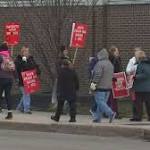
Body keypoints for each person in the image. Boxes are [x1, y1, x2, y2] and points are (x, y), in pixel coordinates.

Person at [90, 48, 116, 123]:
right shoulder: (110, 64)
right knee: (102, 103)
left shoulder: (99, 64)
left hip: (100, 87)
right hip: (108, 87)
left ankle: (111, 113)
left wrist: (92, 86)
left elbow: (97, 76)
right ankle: (98, 118)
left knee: (100, 102)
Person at [15, 46, 40, 114]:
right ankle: (27, 109)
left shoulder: (31, 59)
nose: (27, 52)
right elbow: (20, 68)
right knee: (26, 94)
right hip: (22, 79)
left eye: (27, 51)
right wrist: (24, 61)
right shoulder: (18, 60)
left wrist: (37, 71)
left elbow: (34, 66)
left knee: (25, 94)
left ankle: (20, 107)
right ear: (22, 52)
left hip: (29, 79)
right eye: (25, 51)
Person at [126, 47, 142, 121]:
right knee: (134, 99)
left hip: (141, 83)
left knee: (141, 100)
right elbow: (127, 70)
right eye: (136, 51)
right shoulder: (131, 61)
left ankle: (139, 115)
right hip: (133, 82)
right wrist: (133, 70)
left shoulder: (143, 60)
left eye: (138, 51)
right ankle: (135, 115)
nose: (137, 53)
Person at [133, 51, 150, 121]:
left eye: (136, 56)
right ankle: (139, 116)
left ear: (139, 57)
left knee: (141, 103)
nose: (135, 57)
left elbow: (146, 74)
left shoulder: (144, 64)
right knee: (143, 103)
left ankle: (138, 117)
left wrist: (135, 77)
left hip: (143, 87)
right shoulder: (141, 63)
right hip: (142, 87)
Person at [0, 42, 15, 119]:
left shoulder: (0, 56)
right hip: (10, 79)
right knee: (8, 95)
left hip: (2, 78)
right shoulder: (9, 56)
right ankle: (10, 113)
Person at [108, 46, 122, 118]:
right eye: (116, 51)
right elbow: (115, 70)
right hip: (113, 79)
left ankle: (113, 112)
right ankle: (114, 113)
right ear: (113, 52)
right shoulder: (112, 59)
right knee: (113, 97)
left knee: (113, 97)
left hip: (115, 79)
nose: (118, 52)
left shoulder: (117, 59)